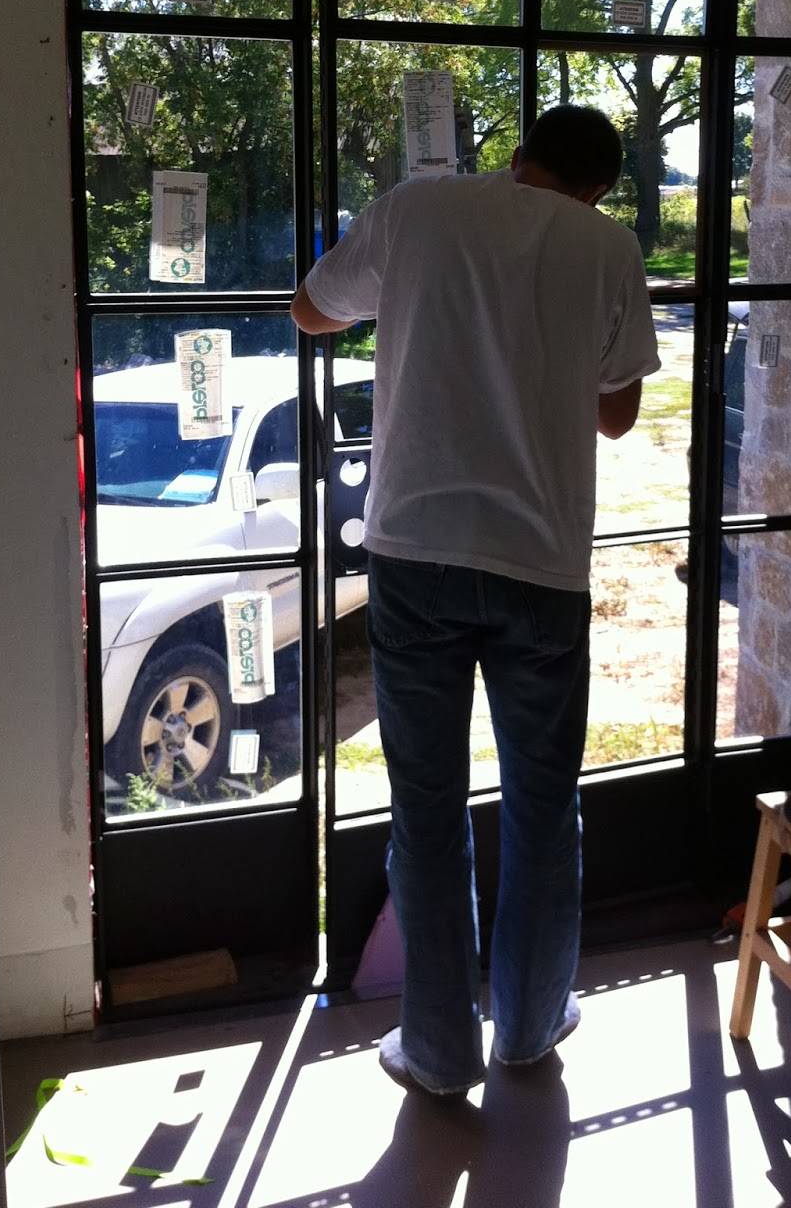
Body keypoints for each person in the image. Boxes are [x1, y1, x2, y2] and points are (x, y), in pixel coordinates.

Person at [291, 105, 659, 1096]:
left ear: (518, 154)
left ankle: (438, 1050)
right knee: (541, 803)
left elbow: (309, 311)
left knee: (426, 806)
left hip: (415, 552)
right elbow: (619, 413)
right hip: (541, 562)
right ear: (596, 188)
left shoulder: (418, 210)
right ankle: (529, 1028)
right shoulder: (607, 245)